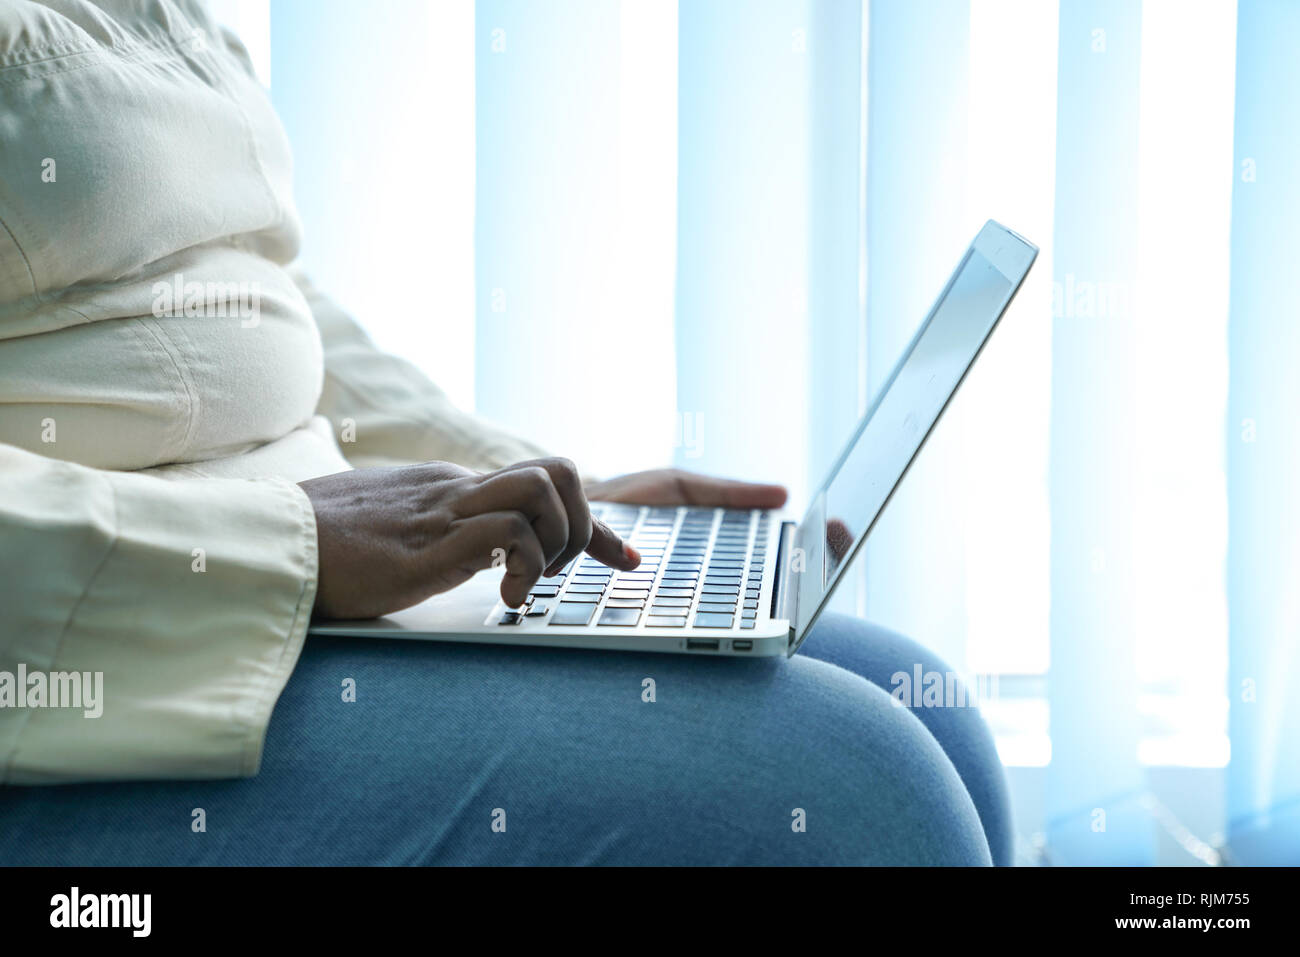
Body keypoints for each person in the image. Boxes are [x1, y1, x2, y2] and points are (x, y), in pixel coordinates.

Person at [0, 0, 1011, 865]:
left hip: (281, 565)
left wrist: (518, 487)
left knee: (928, 713)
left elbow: (242, 284)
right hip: (108, 655)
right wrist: (279, 548)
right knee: (860, 803)